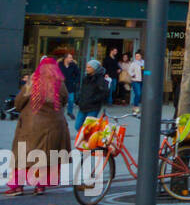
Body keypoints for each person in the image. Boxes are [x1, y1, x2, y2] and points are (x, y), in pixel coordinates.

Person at [7, 58, 72, 194]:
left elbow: (19, 103)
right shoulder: (59, 83)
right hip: (54, 125)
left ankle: (18, 186)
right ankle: (40, 186)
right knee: (47, 156)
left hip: (31, 126)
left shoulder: (33, 81)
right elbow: (64, 100)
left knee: (23, 156)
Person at [74, 58, 112, 133]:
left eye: (89, 67)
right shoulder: (86, 78)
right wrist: (79, 99)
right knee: (77, 126)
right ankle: (85, 140)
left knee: (89, 127)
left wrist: (93, 100)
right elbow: (82, 90)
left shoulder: (100, 79)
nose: (87, 69)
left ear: (94, 68)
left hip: (93, 107)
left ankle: (88, 142)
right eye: (86, 67)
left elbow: (104, 93)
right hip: (83, 106)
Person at [59, 51, 81, 120]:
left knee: (71, 100)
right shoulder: (59, 64)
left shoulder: (73, 65)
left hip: (70, 85)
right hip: (61, 85)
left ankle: (70, 112)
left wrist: (75, 81)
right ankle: (60, 113)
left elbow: (78, 74)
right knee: (61, 100)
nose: (71, 59)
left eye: (71, 57)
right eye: (70, 57)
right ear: (65, 58)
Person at [126, 51, 144, 115]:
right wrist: (133, 75)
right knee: (138, 94)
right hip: (135, 80)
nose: (137, 57)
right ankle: (135, 107)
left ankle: (136, 107)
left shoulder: (144, 63)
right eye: (136, 56)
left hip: (142, 80)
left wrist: (148, 76)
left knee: (140, 94)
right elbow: (129, 71)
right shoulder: (134, 63)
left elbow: (147, 71)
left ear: (141, 56)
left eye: (138, 56)